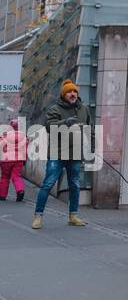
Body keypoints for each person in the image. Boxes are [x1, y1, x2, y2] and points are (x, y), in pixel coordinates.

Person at [33, 79, 91, 229]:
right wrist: (65, 122)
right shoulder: (55, 109)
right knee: (48, 184)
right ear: (64, 94)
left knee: (75, 185)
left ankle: (73, 215)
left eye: (75, 91)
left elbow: (89, 130)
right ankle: (38, 216)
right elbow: (49, 127)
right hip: (57, 153)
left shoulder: (84, 109)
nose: (72, 94)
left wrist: (90, 147)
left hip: (76, 154)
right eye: (69, 92)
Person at [0, 118, 28, 202]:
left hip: (6, 160)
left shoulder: (4, 135)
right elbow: (25, 149)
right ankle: (20, 191)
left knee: (5, 177)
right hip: (18, 160)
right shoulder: (23, 136)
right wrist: (25, 159)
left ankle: (2, 195)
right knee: (16, 176)